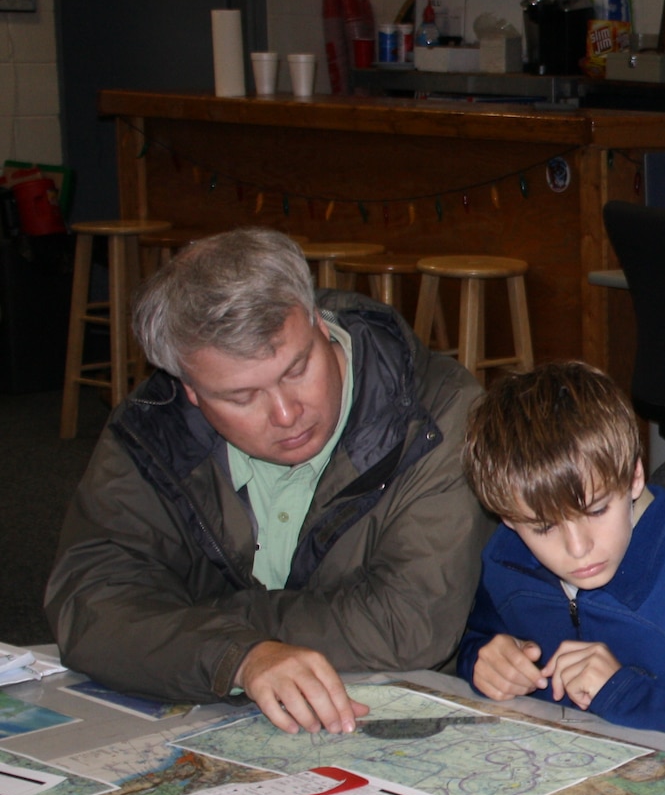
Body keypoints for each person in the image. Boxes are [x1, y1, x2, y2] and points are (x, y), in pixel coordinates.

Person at [45, 228, 489, 734]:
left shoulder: (435, 415)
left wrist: (194, 629)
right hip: (219, 726)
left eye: (298, 368)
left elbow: (406, 623)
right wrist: (240, 656)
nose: (286, 413)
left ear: (320, 324)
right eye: (241, 397)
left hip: (398, 722)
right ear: (189, 389)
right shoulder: (154, 431)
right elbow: (91, 602)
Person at [457, 363, 665, 758]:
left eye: (596, 510)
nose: (579, 549)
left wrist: (628, 695)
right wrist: (481, 661)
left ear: (634, 477)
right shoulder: (506, 561)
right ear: (508, 519)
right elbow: (479, 641)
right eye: (544, 528)